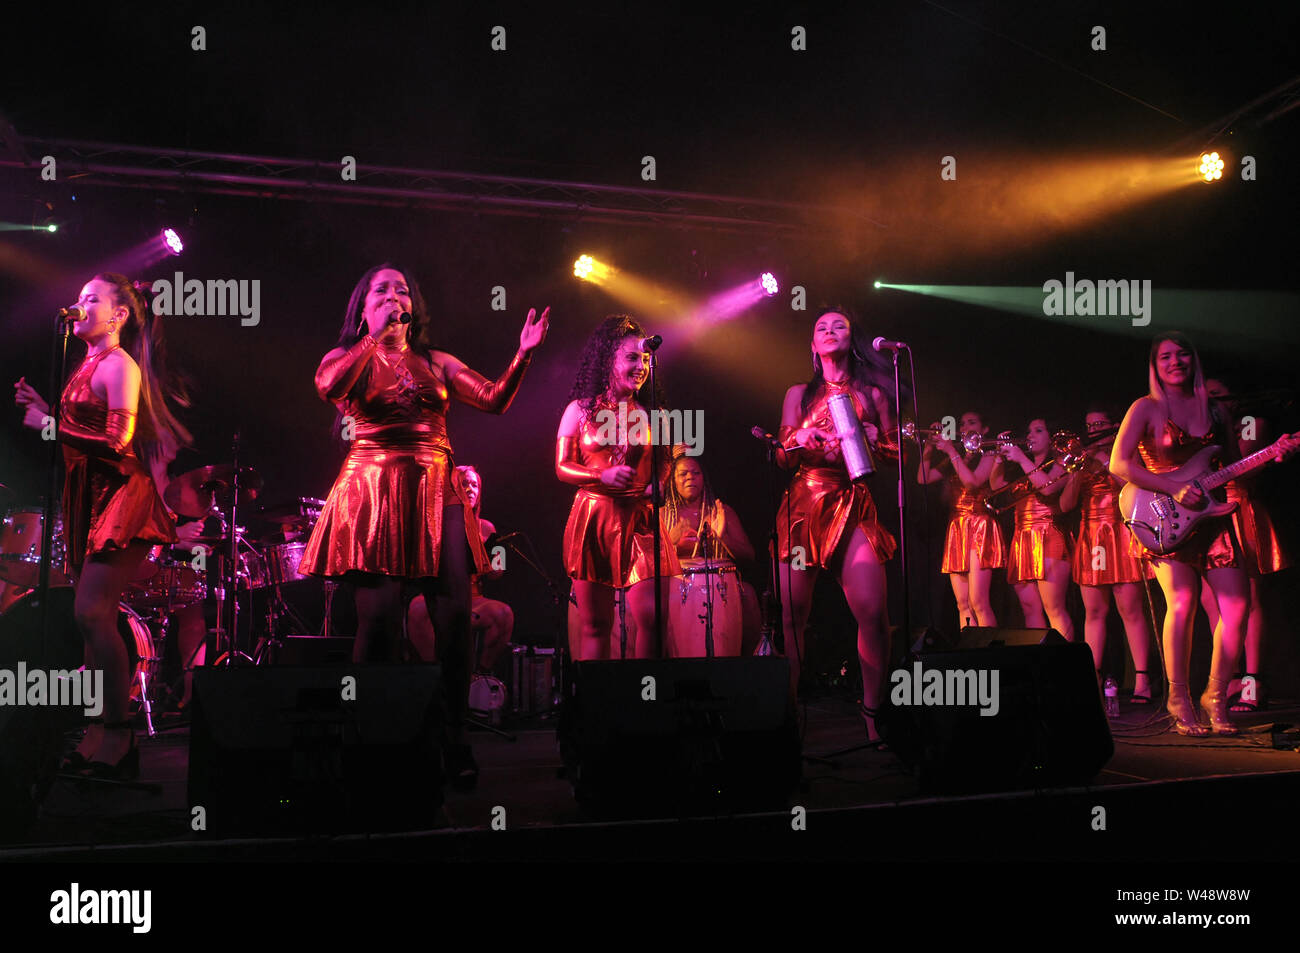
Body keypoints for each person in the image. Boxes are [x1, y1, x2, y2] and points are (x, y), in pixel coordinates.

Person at [299, 263, 547, 784]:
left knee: (454, 619)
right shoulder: (345, 356)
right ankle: (370, 734)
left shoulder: (435, 360)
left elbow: (494, 399)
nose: (394, 297)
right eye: (381, 291)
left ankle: (453, 738)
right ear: (363, 308)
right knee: (381, 619)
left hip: (438, 487)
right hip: (374, 486)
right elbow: (329, 387)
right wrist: (373, 340)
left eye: (402, 290)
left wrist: (522, 355)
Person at [14, 273, 189, 777]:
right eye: (79, 296)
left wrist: (48, 425)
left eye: (93, 299)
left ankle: (120, 731)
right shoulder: (87, 363)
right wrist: (47, 412)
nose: (79, 304)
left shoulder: (119, 364)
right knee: (89, 621)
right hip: (88, 497)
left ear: (119, 315)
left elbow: (118, 441)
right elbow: (82, 433)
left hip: (121, 498)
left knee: (93, 613)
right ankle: (97, 731)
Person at [1110, 333, 1298, 735]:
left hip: (1213, 518)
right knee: (1181, 603)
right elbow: (1118, 465)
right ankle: (1178, 698)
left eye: (1182, 355)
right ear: (1155, 365)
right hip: (1163, 517)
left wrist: (1272, 454)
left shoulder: (1215, 412)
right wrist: (1173, 487)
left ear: (1194, 361)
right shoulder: (1145, 408)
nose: (1175, 361)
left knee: (1237, 609)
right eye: (1166, 356)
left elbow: (1231, 467)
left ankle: (1214, 695)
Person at [776, 308, 895, 743]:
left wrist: (875, 435)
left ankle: (873, 713)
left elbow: (896, 454)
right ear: (812, 345)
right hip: (806, 503)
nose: (829, 331)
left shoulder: (874, 394)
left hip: (853, 502)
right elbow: (780, 456)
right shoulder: (797, 394)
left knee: (873, 610)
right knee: (792, 616)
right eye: (821, 327)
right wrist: (797, 439)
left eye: (838, 325)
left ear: (853, 339)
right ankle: (786, 716)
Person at [557, 314, 679, 660]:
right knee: (596, 626)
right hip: (594, 519)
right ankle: (598, 707)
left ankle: (645, 700)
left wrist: (659, 482)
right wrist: (601, 477)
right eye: (631, 357)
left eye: (644, 359)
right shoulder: (578, 411)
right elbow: (562, 467)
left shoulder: (655, 415)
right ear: (608, 359)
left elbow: (666, 460)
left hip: (641, 522)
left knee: (652, 618)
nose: (640, 366)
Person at [1198, 378, 1291, 711]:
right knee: (1211, 601)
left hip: (1242, 509)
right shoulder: (1196, 428)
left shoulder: (1249, 423)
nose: (1209, 401)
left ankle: (1253, 681)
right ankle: (1227, 678)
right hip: (1207, 514)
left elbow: (1242, 467)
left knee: (1250, 600)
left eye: (1217, 395)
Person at [1059, 407, 1154, 700]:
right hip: (1091, 536)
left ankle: (1143, 682)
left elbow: (1136, 486)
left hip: (1121, 531)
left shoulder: (1126, 453)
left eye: (1099, 424)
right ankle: (1094, 678)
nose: (1094, 430)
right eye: (1089, 426)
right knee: (1094, 612)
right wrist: (1075, 473)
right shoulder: (1080, 459)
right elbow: (1065, 506)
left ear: (1113, 427)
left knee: (1130, 611)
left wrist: (1104, 459)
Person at [408, 465, 514, 672]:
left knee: (504, 614)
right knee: (417, 607)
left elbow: (498, 571)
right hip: (442, 594)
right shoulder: (437, 523)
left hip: (474, 598)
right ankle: (432, 672)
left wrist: (493, 557)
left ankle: (480, 676)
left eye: (475, 485)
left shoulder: (488, 528)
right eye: (464, 484)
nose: (471, 489)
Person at [660, 451, 761, 654]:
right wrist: (672, 543)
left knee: (748, 594)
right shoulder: (662, 515)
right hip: (676, 586)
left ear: (703, 478)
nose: (690, 477)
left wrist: (722, 537)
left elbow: (749, 555)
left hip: (721, 585)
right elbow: (646, 561)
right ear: (673, 481)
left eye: (695, 473)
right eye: (683, 474)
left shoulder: (720, 511)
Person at [917, 410, 1004, 628]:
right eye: (963, 424)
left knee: (979, 602)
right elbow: (923, 478)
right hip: (957, 527)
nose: (965, 427)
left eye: (972, 423)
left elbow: (973, 482)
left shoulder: (989, 454)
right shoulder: (957, 456)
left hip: (979, 525)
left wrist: (949, 450)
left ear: (985, 430)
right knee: (962, 603)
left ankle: (989, 654)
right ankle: (971, 650)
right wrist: (928, 447)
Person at [990, 418, 1075, 640]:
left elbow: (1048, 489)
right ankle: (1040, 665)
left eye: (1038, 430)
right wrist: (999, 459)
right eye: (1028, 431)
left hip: (1049, 534)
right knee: (1030, 609)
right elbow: (995, 486)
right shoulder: (1022, 465)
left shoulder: (1060, 462)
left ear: (1052, 437)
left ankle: (1065, 666)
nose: (1031, 435)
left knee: (1054, 608)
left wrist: (1019, 458)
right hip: (1022, 538)